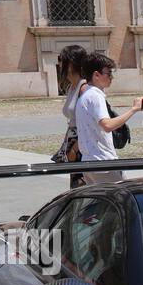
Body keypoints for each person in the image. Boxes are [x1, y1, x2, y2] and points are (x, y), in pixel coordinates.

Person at [74, 53, 143, 184]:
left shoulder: (85, 96)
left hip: (89, 162)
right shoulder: (96, 96)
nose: (111, 77)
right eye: (108, 74)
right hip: (103, 163)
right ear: (96, 75)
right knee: (122, 199)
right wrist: (134, 109)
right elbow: (107, 125)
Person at [52, 44, 88, 186]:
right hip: (72, 141)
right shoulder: (71, 87)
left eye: (62, 58)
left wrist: (74, 149)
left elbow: (90, 125)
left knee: (82, 187)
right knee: (76, 187)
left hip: (81, 146)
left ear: (71, 63)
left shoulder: (84, 88)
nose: (59, 62)